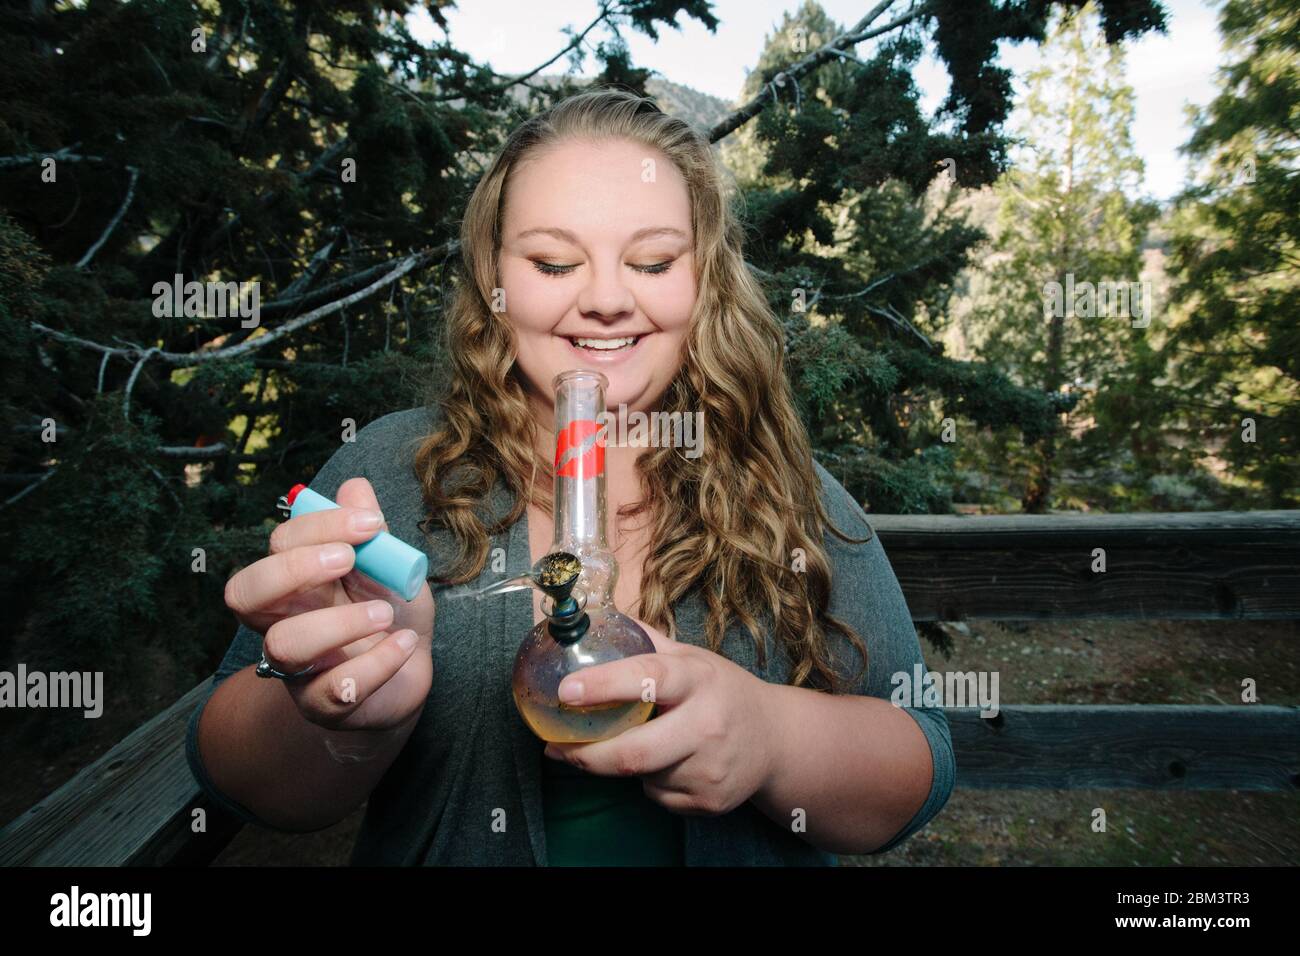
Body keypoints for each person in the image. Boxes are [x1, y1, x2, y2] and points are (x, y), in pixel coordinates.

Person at [186, 87, 955, 866]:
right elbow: (249, 786)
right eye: (554, 262)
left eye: (653, 261)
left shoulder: (787, 488)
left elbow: (916, 765)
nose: (607, 300)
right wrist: (349, 709)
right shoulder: (388, 476)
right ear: (495, 278)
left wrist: (770, 736)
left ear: (705, 280)